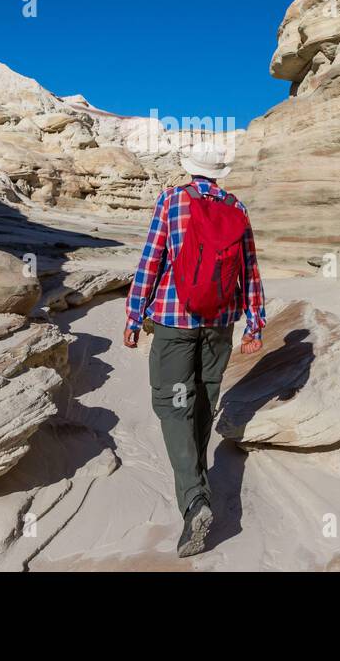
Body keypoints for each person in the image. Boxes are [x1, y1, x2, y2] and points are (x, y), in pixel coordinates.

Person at [123, 141, 266, 557]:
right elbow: (250, 271)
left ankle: (194, 501)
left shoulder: (171, 200)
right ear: (220, 172)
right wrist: (253, 323)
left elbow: (151, 260)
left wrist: (134, 315)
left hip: (174, 321)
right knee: (203, 402)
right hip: (220, 323)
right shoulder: (237, 209)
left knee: (173, 406)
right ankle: (198, 482)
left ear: (190, 169)